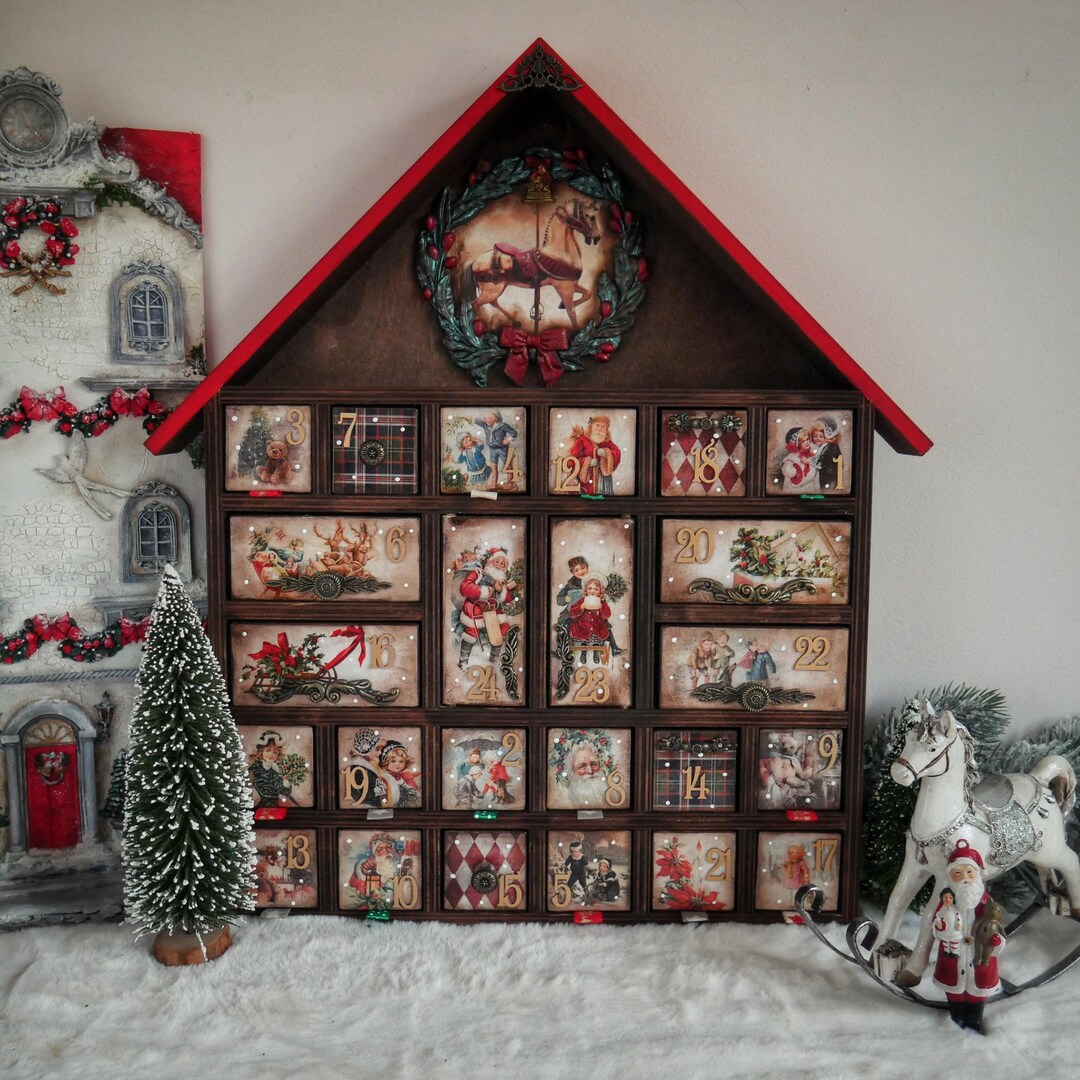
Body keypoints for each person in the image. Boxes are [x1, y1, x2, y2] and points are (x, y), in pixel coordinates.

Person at [932, 840, 1004, 1034]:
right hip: (952, 951)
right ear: (951, 876)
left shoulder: (985, 902)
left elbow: (995, 925)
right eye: (958, 873)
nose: (964, 878)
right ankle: (955, 1017)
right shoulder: (947, 901)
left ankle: (974, 1019)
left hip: (979, 953)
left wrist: (996, 941)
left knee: (977, 987)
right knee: (953, 985)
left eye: (969, 872)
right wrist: (941, 929)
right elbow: (938, 922)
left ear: (977, 874)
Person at [456, 547, 517, 669]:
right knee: (472, 632)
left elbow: (507, 599)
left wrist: (503, 590)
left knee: (503, 629)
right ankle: (463, 660)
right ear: (490, 562)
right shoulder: (478, 573)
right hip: (475, 608)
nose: (499, 564)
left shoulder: (501, 581)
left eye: (502, 563)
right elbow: (465, 588)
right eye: (497, 561)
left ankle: (494, 659)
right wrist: (484, 591)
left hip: (493, 611)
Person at [567, 414, 621, 495]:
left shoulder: (607, 441)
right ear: (591, 427)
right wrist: (587, 462)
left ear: (606, 430)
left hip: (604, 479)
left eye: (603, 426)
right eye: (597, 425)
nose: (600, 428)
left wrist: (606, 453)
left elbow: (617, 453)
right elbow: (571, 460)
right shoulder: (582, 440)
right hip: (587, 479)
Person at [568, 577, 613, 663]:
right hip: (582, 627)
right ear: (586, 590)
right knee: (583, 639)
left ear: (600, 591)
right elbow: (572, 613)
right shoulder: (582, 601)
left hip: (597, 628)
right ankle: (583, 652)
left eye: (596, 589)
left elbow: (607, 614)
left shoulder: (601, 602)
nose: (592, 591)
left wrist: (601, 607)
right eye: (590, 588)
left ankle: (596, 652)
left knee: (597, 638)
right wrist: (581, 607)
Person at [248, 730, 296, 808]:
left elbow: (287, 792)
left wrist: (285, 781)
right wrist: (281, 796)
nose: (271, 755)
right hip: (265, 806)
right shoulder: (256, 768)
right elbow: (265, 791)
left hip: (278, 805)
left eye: (275, 752)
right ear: (261, 751)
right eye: (268, 750)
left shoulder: (276, 768)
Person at [475, 410, 519, 486]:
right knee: (493, 466)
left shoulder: (502, 425)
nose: (487, 420)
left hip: (502, 449)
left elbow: (514, 433)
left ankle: (510, 483)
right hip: (492, 449)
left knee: (507, 465)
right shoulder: (485, 425)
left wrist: (508, 439)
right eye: (485, 418)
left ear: (495, 417)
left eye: (489, 418)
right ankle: (494, 483)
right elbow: (476, 420)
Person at [809, 416, 843, 492]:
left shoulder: (832, 447)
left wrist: (819, 466)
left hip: (828, 479)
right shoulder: (820, 448)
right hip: (821, 477)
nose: (818, 438)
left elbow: (831, 464)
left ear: (828, 435)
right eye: (815, 436)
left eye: (821, 436)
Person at [779, 427, 815, 492]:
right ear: (796, 444)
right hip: (794, 488)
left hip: (809, 487)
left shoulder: (810, 455)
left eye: (807, 439)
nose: (807, 442)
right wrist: (795, 471)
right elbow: (787, 472)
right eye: (803, 441)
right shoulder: (792, 458)